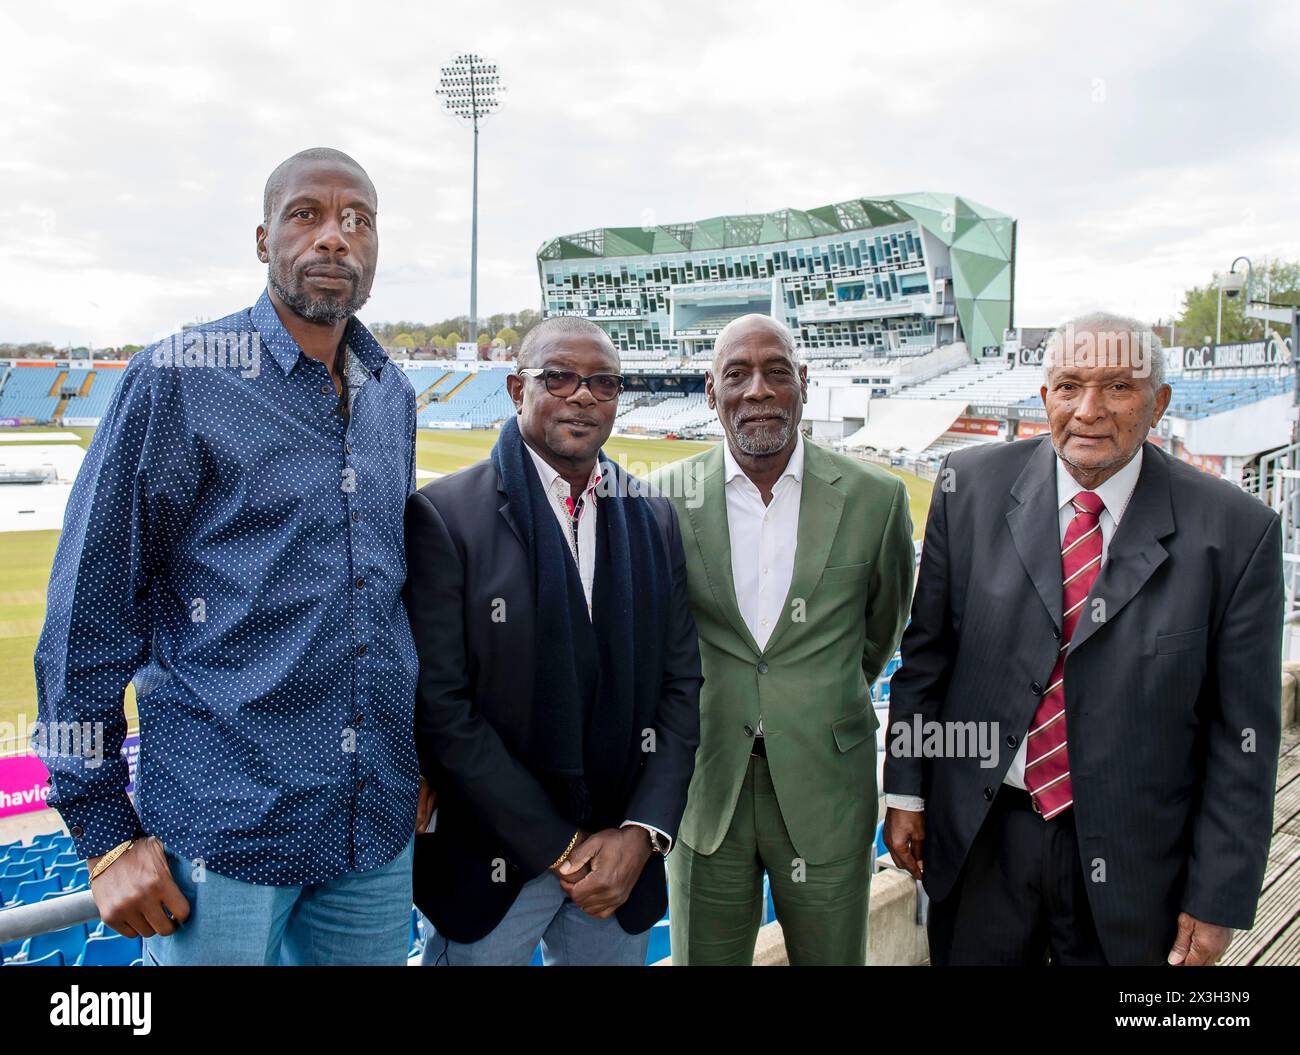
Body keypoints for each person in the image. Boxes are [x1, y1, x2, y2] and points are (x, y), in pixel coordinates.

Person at [33, 147, 420, 965]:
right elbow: (87, 613)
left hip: (371, 829)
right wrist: (103, 832)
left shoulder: (393, 393)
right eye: (306, 215)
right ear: (261, 238)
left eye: (358, 220)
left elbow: (385, 594)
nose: (334, 238)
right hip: (225, 829)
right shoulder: (179, 379)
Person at [884, 312, 1282, 966]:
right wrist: (906, 791)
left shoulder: (1236, 533)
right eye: (1069, 385)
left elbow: (1242, 737)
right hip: (984, 839)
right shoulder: (970, 489)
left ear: (1159, 403)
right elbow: (927, 658)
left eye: (1118, 388)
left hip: (1136, 861)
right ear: (1045, 399)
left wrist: (1218, 897)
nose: (1089, 409)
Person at [404, 316, 701, 966]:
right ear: (516, 389)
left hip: (620, 865)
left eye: (603, 382)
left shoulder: (653, 516)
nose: (583, 394)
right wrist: (561, 844)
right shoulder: (445, 515)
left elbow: (680, 689)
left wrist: (640, 833)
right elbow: (444, 713)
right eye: (559, 377)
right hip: (491, 862)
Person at [649, 314, 915, 965]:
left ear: (803, 381)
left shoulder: (876, 499)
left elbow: (880, 635)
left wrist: (813, 698)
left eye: (776, 371)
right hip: (708, 794)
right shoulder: (660, 501)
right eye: (737, 374)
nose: (758, 389)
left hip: (828, 787)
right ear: (711, 392)